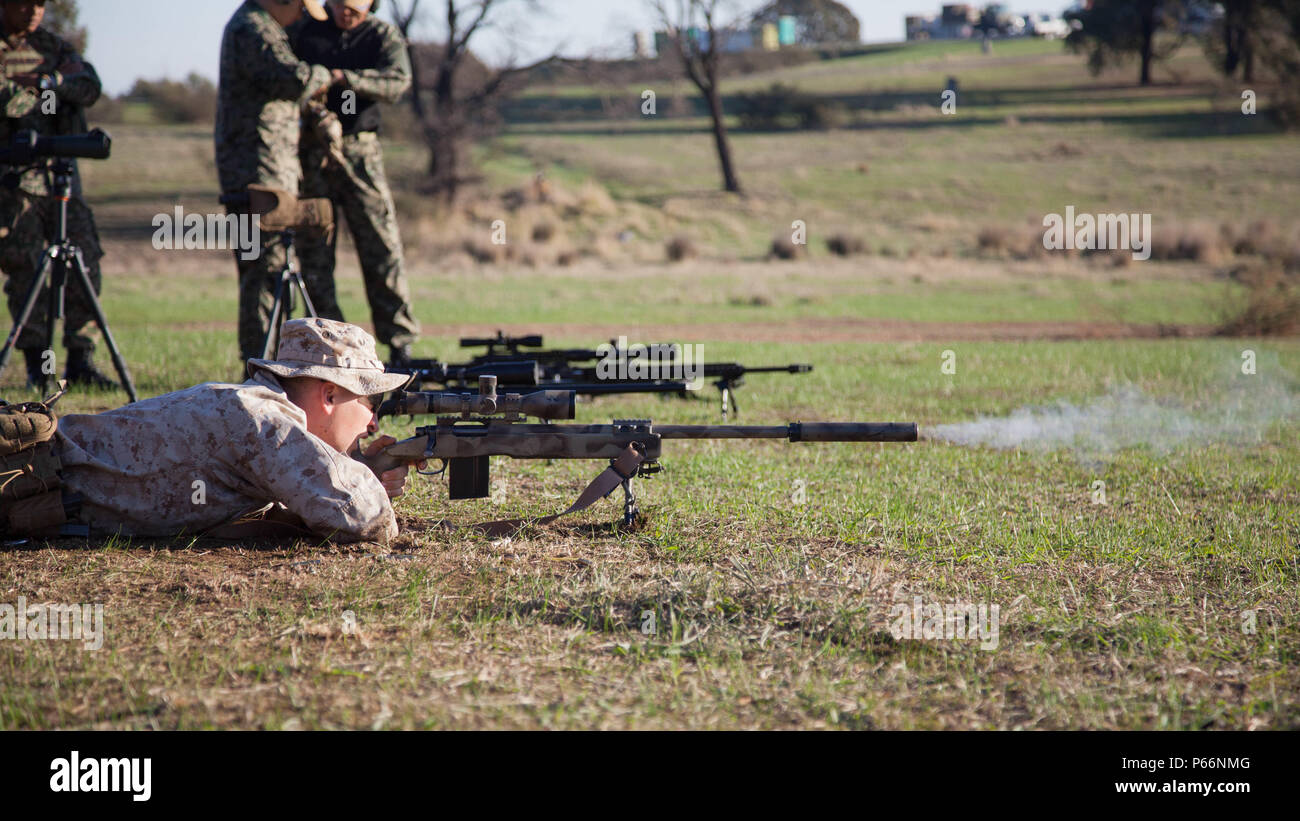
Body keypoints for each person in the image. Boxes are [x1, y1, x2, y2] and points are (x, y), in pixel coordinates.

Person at [55, 318, 418, 543]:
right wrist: (362, 478)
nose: (373, 423)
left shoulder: (256, 408)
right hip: (23, 477)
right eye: (372, 404)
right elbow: (362, 518)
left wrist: (353, 468)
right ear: (329, 394)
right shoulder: (262, 419)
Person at [292, 0, 421, 367]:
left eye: (357, 8)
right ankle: (331, 346)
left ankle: (400, 345)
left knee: (382, 246)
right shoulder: (305, 30)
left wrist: (346, 79)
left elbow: (398, 81)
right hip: (312, 154)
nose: (348, 14)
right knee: (314, 251)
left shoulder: (380, 35)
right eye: (342, 6)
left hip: (361, 151)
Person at [0, 0, 115, 389]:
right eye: (25, 3)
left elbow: (90, 86)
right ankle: (38, 367)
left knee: (85, 262)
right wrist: (52, 84)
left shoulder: (52, 44)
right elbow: (8, 101)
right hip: (15, 183)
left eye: (40, 4)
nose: (33, 11)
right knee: (25, 269)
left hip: (61, 177)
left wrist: (48, 83)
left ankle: (81, 361)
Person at [216, 0, 333, 364]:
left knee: (270, 269)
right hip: (256, 179)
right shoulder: (254, 28)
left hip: (266, 174)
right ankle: (261, 371)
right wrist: (324, 73)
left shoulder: (263, 26)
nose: (301, 19)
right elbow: (292, 78)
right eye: (301, 9)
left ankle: (271, 367)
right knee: (263, 272)